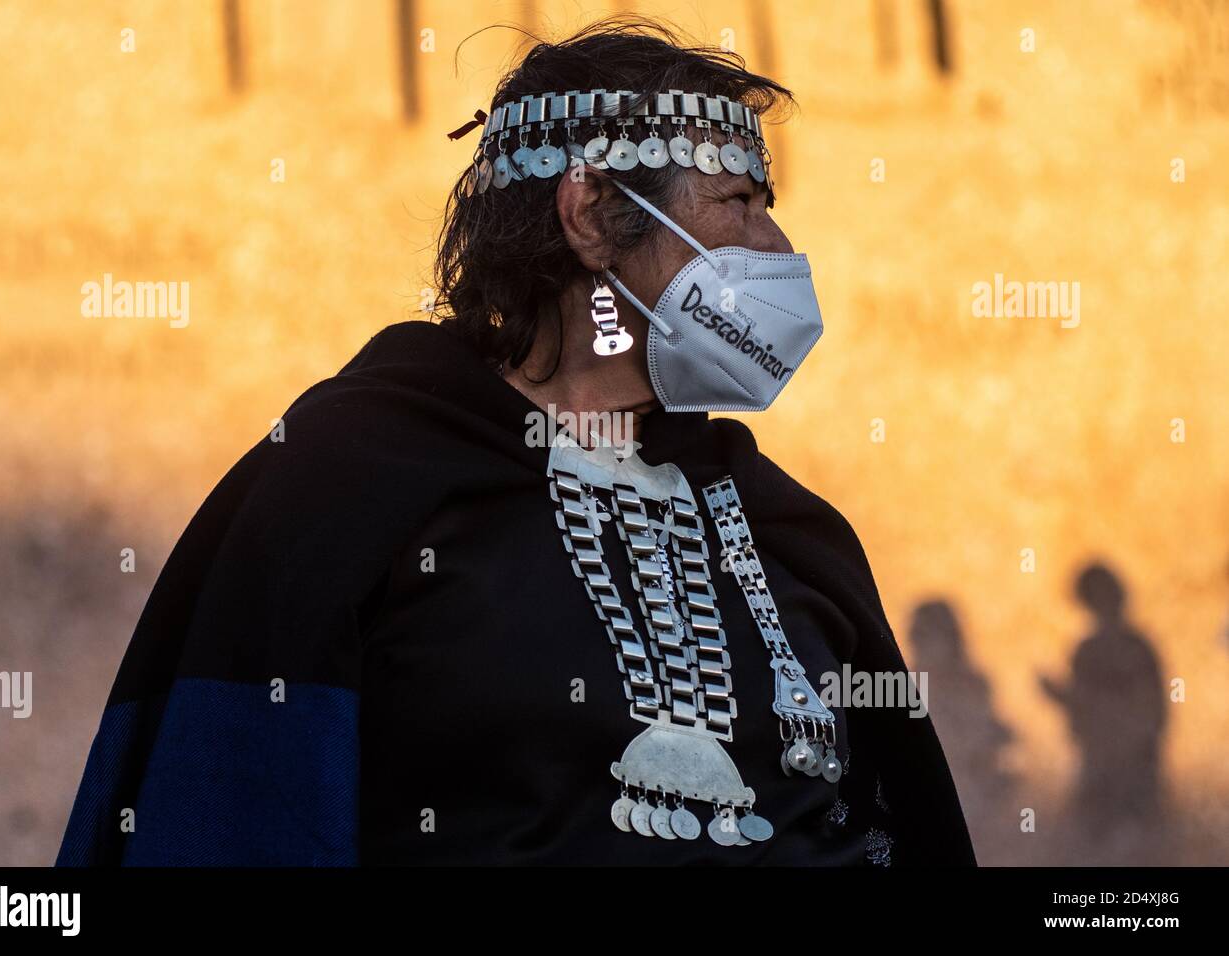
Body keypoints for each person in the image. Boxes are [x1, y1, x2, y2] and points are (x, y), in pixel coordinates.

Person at [57, 18, 974, 866]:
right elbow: (234, 813)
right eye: (737, 201)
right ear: (590, 214)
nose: (774, 247)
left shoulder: (785, 530)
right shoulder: (344, 485)